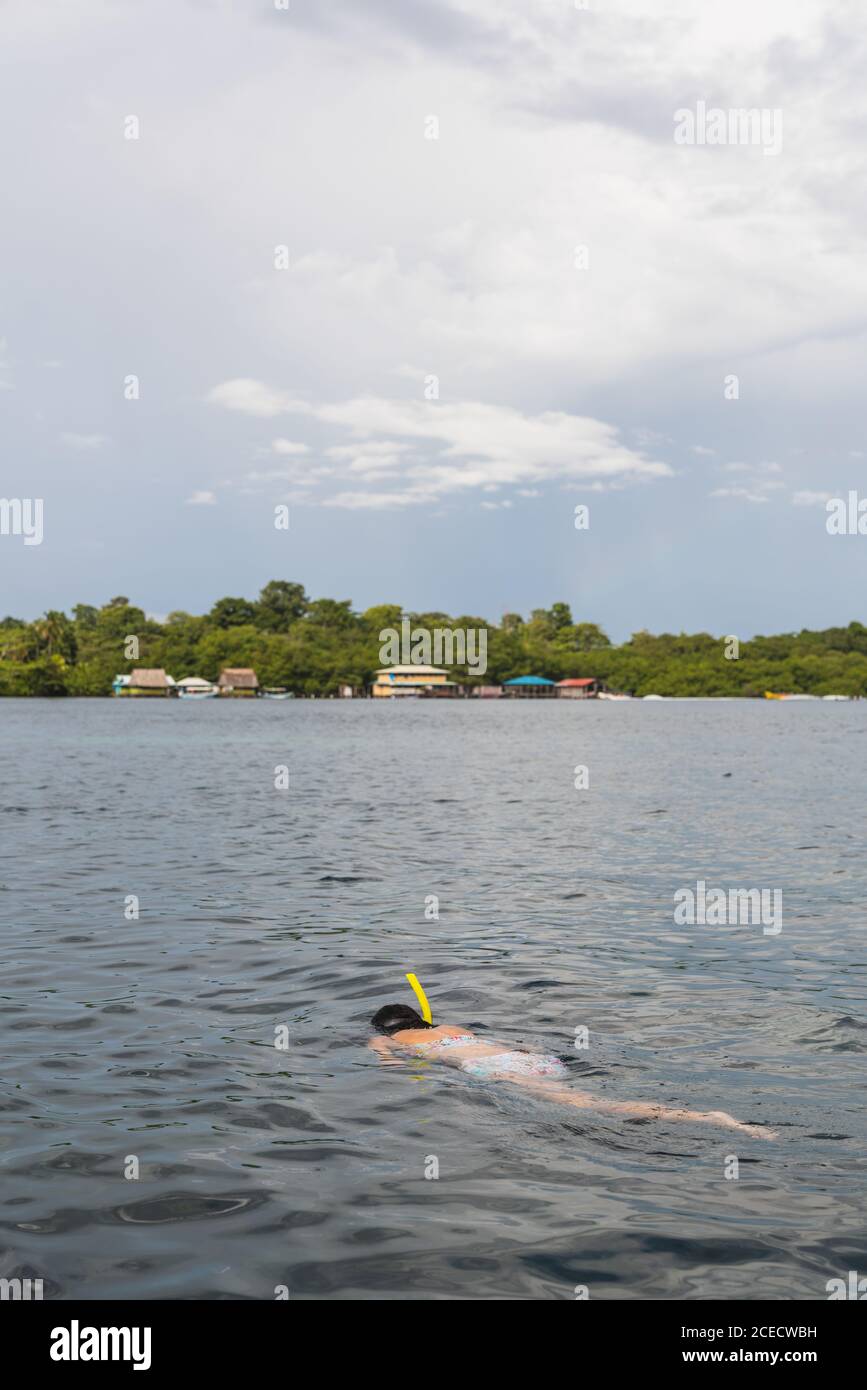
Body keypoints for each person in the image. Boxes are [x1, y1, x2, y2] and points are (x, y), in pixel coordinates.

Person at [369, 1005, 776, 1139]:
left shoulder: (387, 1041)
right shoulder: (455, 1028)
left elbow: (388, 1071)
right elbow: (525, 1044)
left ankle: (713, 1119)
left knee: (596, 1106)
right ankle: (699, 1116)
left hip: (493, 1070)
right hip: (532, 1059)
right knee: (588, 1096)